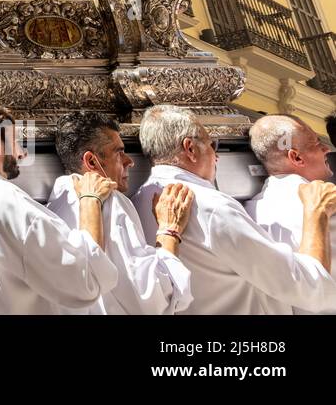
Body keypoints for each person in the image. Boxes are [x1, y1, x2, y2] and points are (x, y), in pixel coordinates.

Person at [133, 104, 336, 314]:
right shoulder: (212, 206)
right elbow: (302, 284)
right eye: (212, 145)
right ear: (190, 149)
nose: (217, 157)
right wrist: (317, 213)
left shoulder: (137, 201)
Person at [0, 102, 118, 314]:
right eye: (15, 141)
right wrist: (90, 200)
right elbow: (85, 281)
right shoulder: (9, 202)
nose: (22, 153)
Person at [48, 111, 192, 315]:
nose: (129, 161)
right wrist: (170, 232)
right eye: (119, 152)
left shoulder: (55, 205)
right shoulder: (111, 203)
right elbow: (152, 298)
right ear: (92, 162)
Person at [246, 114, 335, 253]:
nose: (326, 149)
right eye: (318, 144)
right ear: (296, 157)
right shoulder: (328, 204)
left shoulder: (249, 212)